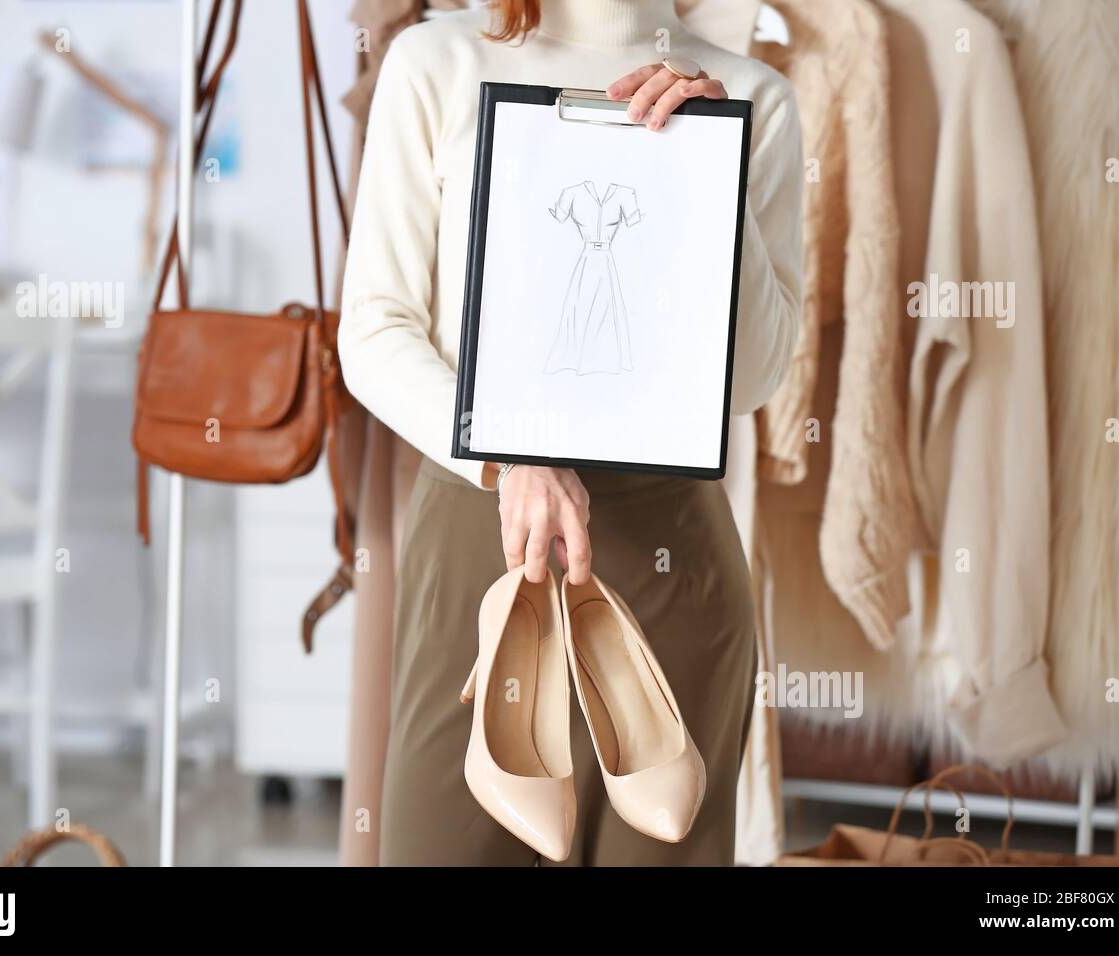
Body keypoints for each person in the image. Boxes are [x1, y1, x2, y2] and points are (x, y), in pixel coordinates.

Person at [339, 0, 802, 866]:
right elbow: (372, 331)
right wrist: (508, 455)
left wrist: (708, 173)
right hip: (478, 546)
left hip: (673, 567)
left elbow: (753, 380)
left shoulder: (751, 97)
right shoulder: (435, 64)